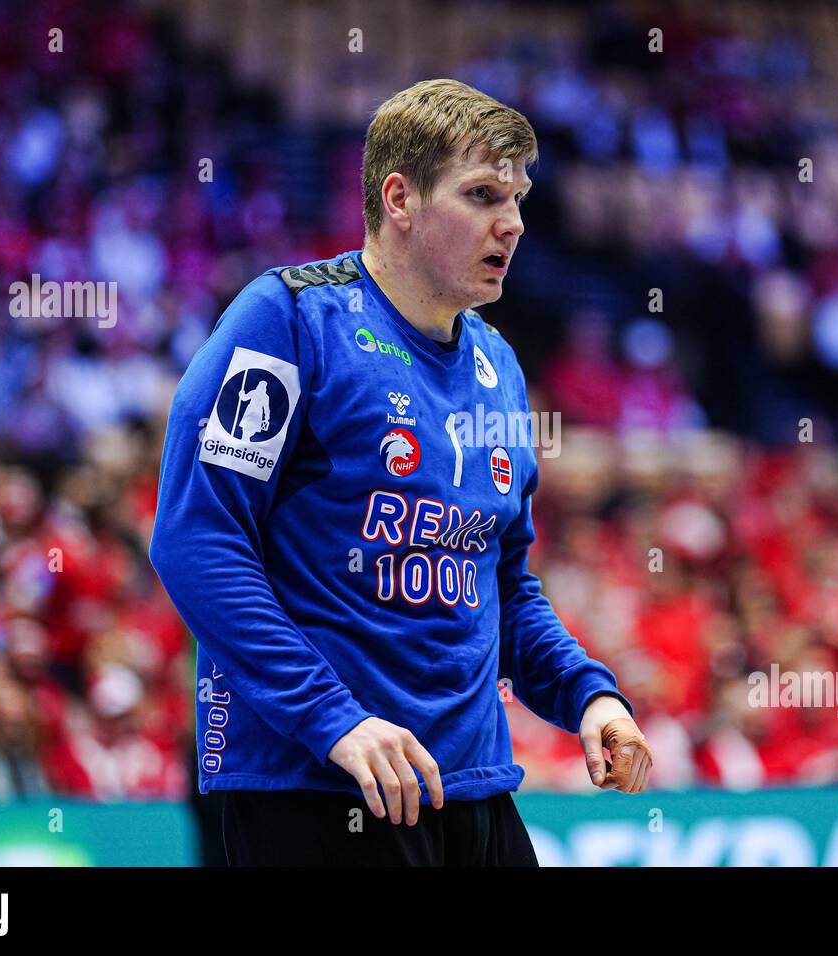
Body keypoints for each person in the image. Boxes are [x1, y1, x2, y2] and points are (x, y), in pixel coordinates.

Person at [150, 78, 651, 866]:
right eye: (483, 194)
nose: (512, 222)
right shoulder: (285, 321)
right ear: (400, 198)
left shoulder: (500, 364)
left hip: (473, 789)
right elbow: (197, 542)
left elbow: (504, 583)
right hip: (317, 788)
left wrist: (588, 694)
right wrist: (335, 720)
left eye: (518, 197)